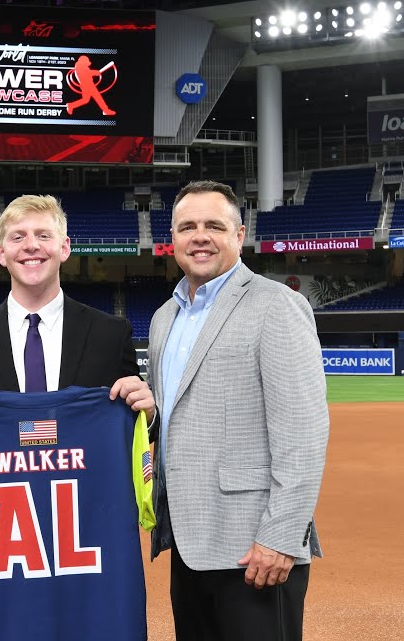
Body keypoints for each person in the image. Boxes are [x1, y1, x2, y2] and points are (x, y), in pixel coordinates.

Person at [147, 180, 330, 641]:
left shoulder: (277, 305)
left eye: (214, 225)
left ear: (239, 234)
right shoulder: (164, 317)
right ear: (172, 239)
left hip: (255, 548)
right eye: (187, 227)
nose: (200, 236)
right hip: (189, 545)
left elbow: (304, 432)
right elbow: (172, 419)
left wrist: (280, 536)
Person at [0, 193, 154, 424]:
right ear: (1, 253)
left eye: (43, 235)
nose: (31, 245)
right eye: (18, 237)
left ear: (64, 248)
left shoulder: (112, 336)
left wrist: (148, 416)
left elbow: (135, 427)